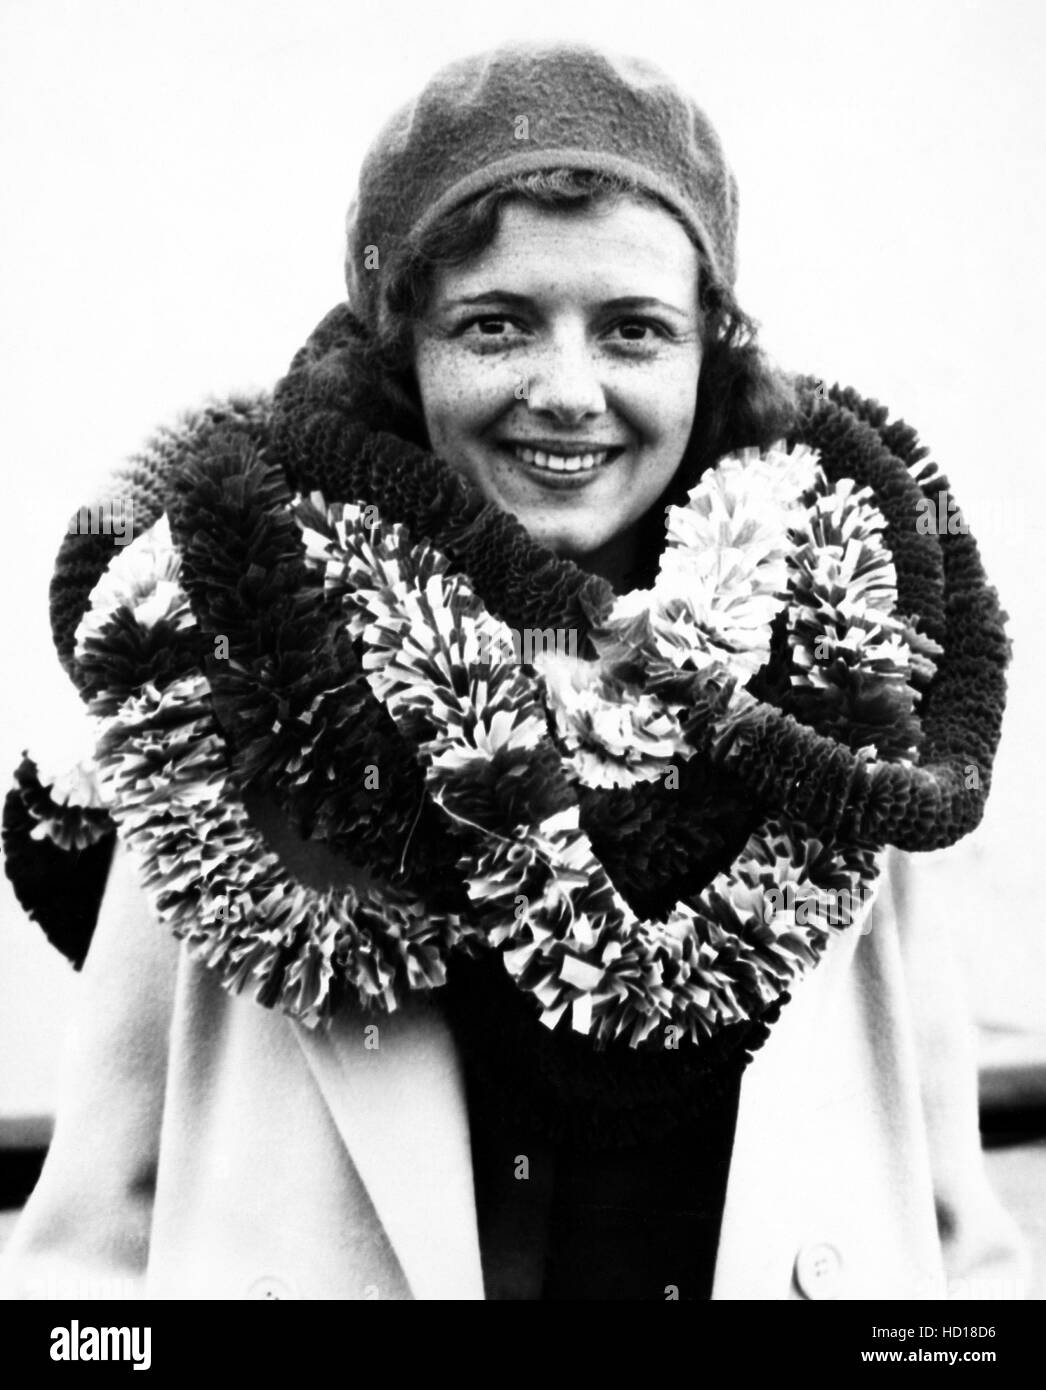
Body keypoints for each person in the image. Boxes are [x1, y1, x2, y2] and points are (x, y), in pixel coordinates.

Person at [0, 39, 1028, 1301]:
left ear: (708, 352)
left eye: (634, 330)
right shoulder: (223, 686)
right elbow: (79, 1283)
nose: (566, 390)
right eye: (494, 326)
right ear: (403, 351)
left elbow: (956, 1251)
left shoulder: (840, 692)